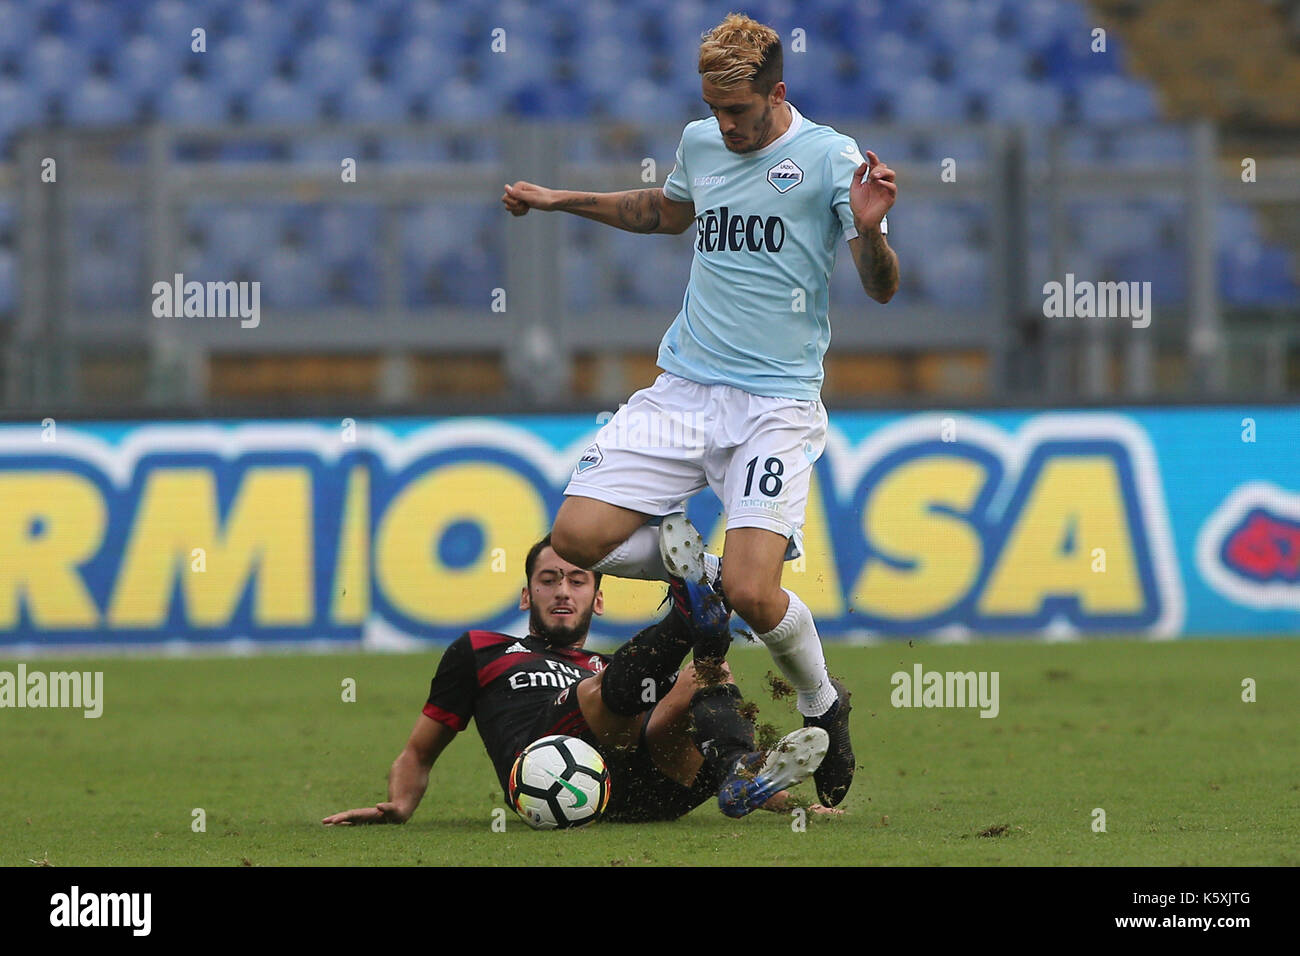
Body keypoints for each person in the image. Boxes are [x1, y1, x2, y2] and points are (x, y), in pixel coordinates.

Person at [500, 13, 898, 808]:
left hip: (774, 405)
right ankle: (700, 576)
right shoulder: (701, 142)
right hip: (683, 388)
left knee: (757, 597)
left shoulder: (830, 160)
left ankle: (824, 704)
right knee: (576, 537)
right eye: (714, 111)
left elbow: (882, 286)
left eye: (739, 113)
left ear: (776, 94)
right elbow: (664, 211)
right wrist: (557, 200)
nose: (725, 126)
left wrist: (872, 229)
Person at [322, 536, 834, 827]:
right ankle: (688, 617)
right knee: (607, 686)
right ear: (526, 596)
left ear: (598, 598)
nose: (562, 591)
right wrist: (399, 805)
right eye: (548, 580)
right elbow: (418, 753)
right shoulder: (482, 651)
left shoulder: (609, 666)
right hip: (557, 786)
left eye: (576, 580)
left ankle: (741, 769)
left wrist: (793, 803)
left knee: (704, 673)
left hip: (655, 793)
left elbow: (659, 708)